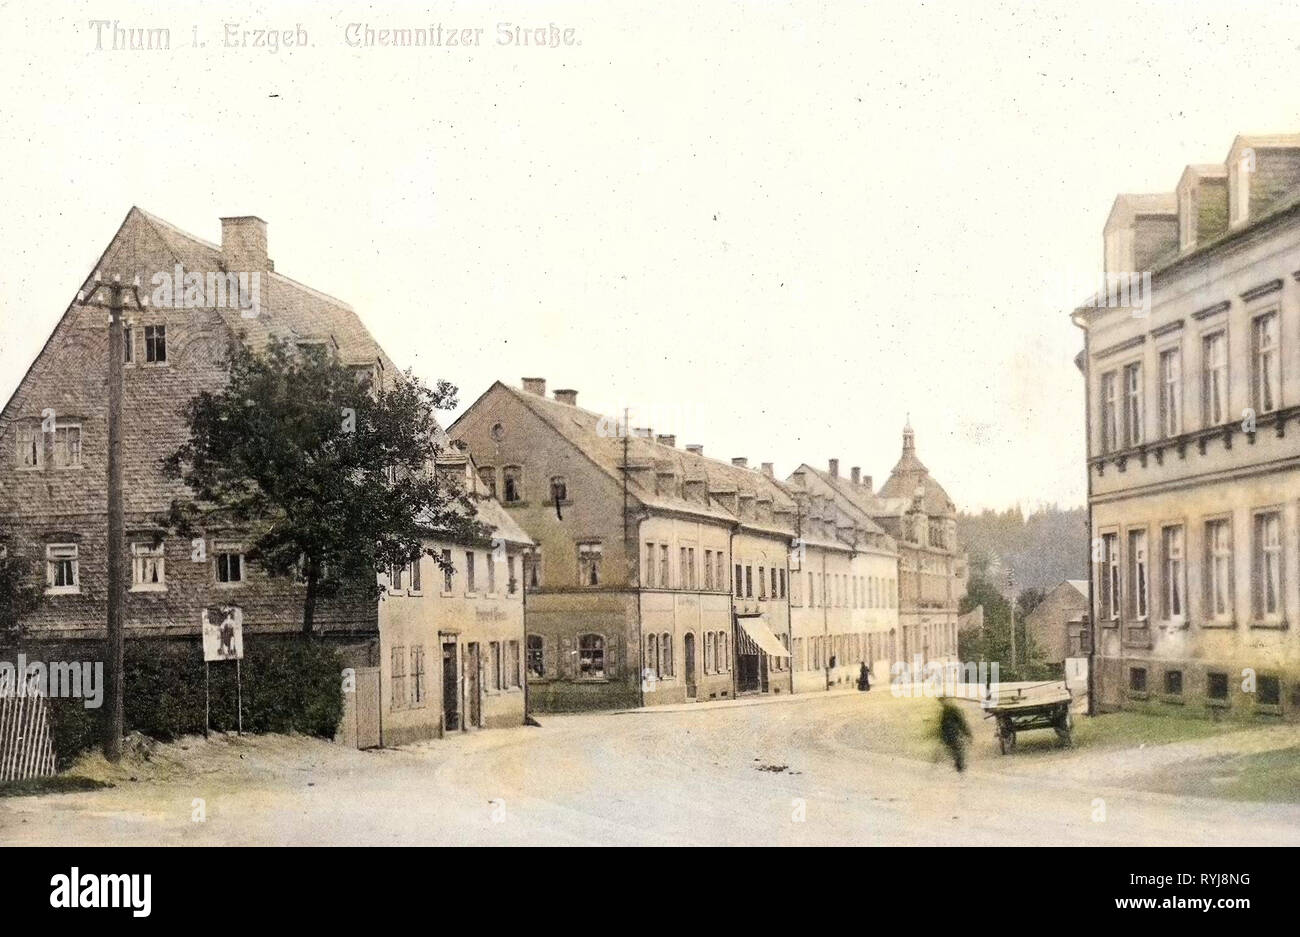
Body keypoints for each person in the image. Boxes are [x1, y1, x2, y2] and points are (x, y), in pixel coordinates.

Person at [938, 697, 973, 772]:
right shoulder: (945, 710)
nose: (942, 703)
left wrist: (967, 733)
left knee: (956, 748)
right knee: (953, 749)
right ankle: (959, 765)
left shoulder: (952, 709)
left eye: (943, 701)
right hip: (948, 734)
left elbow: (961, 722)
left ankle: (960, 765)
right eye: (942, 701)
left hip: (952, 733)